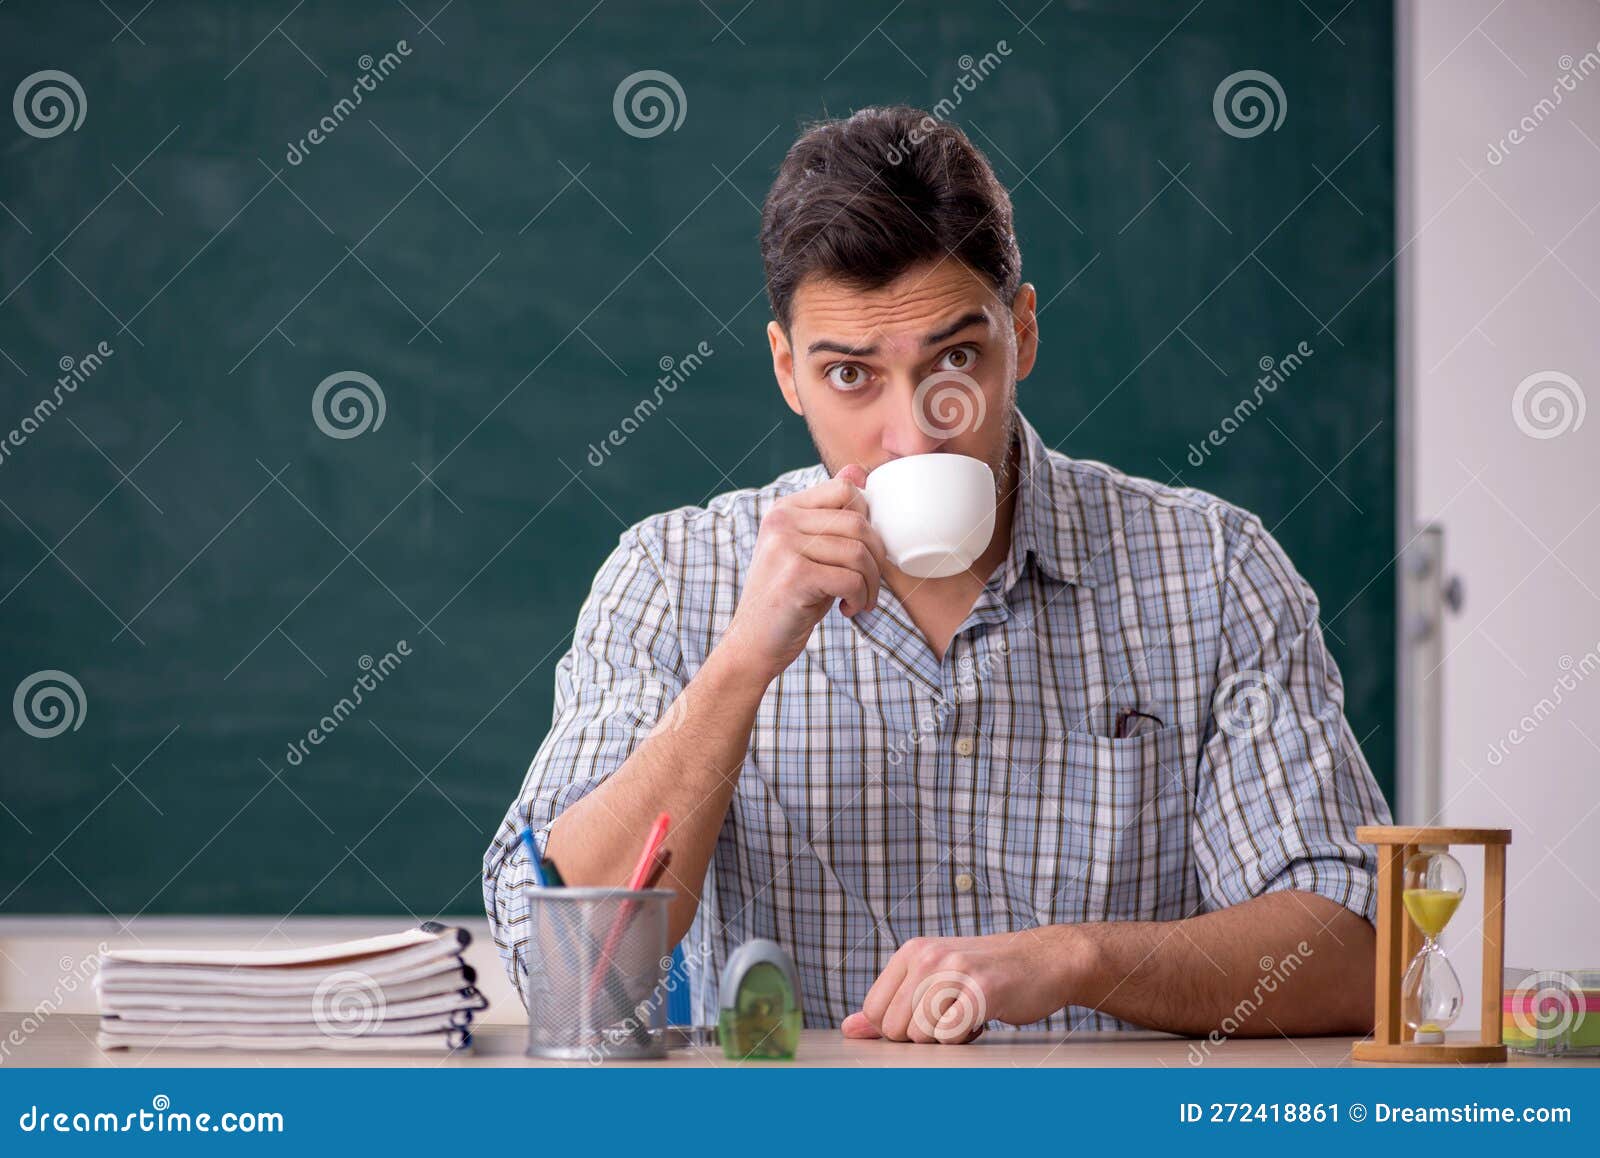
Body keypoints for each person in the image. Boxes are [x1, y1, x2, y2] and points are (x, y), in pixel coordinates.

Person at [484, 105, 1390, 1044]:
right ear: (788, 372)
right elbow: (572, 977)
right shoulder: (674, 579)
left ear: (1023, 336)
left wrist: (1073, 958)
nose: (914, 433)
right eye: (851, 377)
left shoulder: (1214, 572)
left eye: (956, 359)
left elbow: (1360, 953)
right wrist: (742, 663)